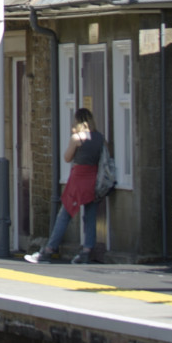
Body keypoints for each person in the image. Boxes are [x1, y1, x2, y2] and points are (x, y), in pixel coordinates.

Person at [29, 107, 104, 263]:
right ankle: (87, 250)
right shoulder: (100, 138)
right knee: (90, 216)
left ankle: (49, 250)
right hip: (94, 178)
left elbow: (67, 158)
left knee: (65, 215)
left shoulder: (77, 138)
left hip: (78, 179)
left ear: (78, 122)